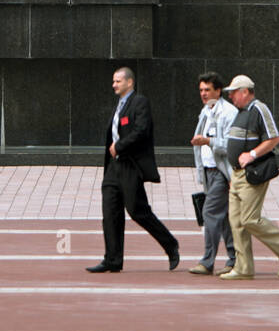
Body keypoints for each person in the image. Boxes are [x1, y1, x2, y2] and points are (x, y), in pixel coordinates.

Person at [86, 67, 179, 273]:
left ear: (129, 82)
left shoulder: (139, 102)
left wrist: (119, 146)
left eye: (118, 81)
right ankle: (112, 259)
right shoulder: (119, 105)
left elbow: (141, 130)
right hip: (113, 167)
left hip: (130, 165)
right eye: (113, 81)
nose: (114, 85)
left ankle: (170, 244)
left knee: (137, 210)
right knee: (110, 213)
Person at [218, 75, 279, 280]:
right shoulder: (240, 112)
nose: (231, 96)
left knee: (249, 219)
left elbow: (274, 138)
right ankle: (244, 268)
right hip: (236, 174)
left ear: (245, 91)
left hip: (252, 174)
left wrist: (251, 154)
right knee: (236, 221)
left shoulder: (258, 109)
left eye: (234, 93)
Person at [188, 72, 238, 276]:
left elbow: (231, 145)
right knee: (223, 216)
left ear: (218, 90)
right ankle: (234, 259)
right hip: (208, 172)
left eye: (208, 89)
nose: (204, 93)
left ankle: (208, 261)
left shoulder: (228, 112)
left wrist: (207, 142)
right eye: (201, 90)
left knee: (209, 212)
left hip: (221, 172)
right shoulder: (206, 111)